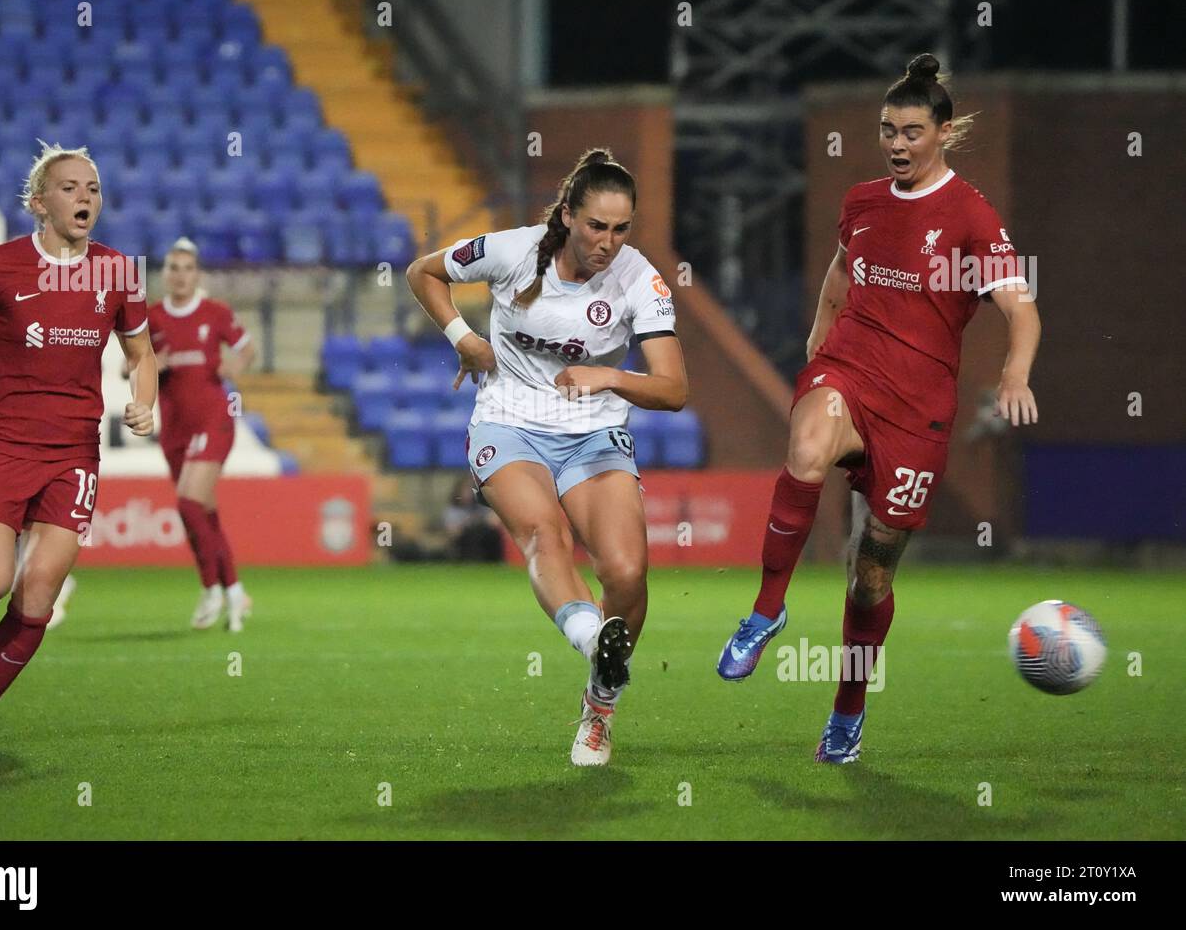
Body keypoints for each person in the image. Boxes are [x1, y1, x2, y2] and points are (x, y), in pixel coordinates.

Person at [714, 54, 1041, 763]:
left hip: (919, 407)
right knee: (805, 450)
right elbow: (841, 270)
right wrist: (818, 345)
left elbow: (1022, 308)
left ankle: (847, 712)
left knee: (871, 577)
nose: (896, 144)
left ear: (944, 133)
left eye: (912, 131)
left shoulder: (972, 216)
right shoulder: (862, 201)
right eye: (888, 130)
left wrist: (1015, 374)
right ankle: (766, 612)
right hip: (851, 369)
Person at [405, 147, 689, 766]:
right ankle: (593, 640)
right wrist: (466, 339)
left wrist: (609, 378)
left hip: (591, 431)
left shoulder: (640, 278)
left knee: (627, 573)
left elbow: (672, 389)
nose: (608, 242)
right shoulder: (514, 250)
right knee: (543, 534)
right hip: (508, 423)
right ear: (567, 215)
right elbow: (422, 271)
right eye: (596, 226)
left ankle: (599, 705)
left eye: (621, 229)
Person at [0, 142, 157, 749]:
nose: (85, 199)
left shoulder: (119, 273)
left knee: (38, 592)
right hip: (1, 444)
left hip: (74, 453)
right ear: (38, 203)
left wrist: (145, 399)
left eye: (93, 189)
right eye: (71, 188)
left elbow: (142, 354)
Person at [147, 238, 255, 632]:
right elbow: (132, 369)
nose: (180, 275)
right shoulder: (152, 318)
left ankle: (210, 588)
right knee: (203, 514)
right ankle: (234, 593)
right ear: (165, 275)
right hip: (174, 429)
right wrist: (152, 366)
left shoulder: (215, 313)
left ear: (197, 274)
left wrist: (235, 365)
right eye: (173, 268)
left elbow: (246, 348)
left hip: (214, 420)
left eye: (187, 268)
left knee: (189, 504)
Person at [0, 320, 77, 630]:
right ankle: (47, 582)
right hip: (5, 432)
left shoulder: (42, 301)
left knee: (35, 520)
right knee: (11, 527)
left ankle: (49, 588)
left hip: (50, 428)